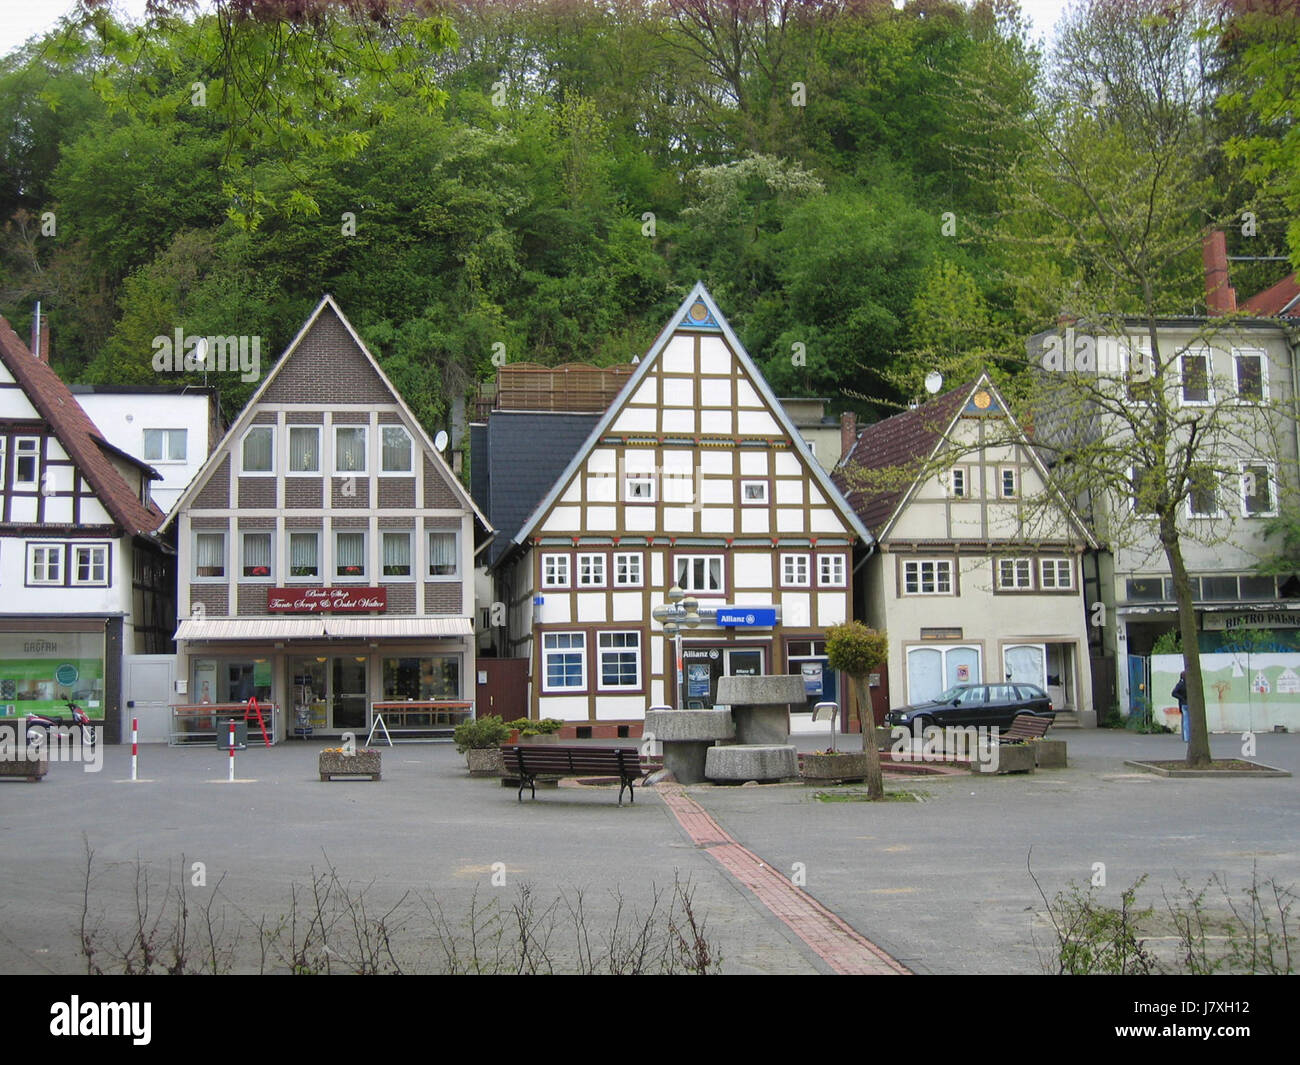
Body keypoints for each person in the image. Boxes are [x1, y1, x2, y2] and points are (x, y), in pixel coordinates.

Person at [1171, 671, 1189, 742]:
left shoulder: (1180, 684)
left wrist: (1181, 698)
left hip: (1183, 704)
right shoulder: (1189, 684)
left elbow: (1173, 693)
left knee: (1185, 721)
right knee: (1188, 721)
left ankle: (1186, 737)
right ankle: (1187, 737)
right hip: (1188, 703)